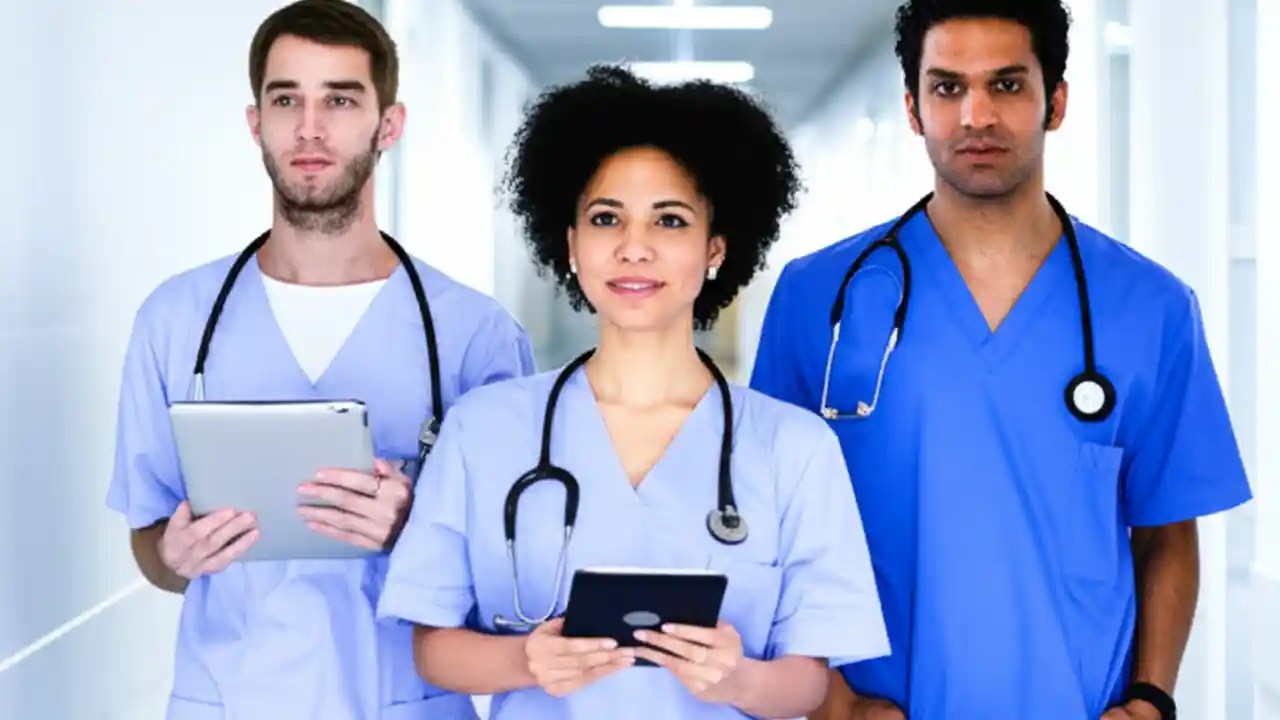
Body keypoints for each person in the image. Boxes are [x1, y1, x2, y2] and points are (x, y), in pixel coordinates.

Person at [749, 1, 1253, 719]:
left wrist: (1149, 698)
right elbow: (769, 529)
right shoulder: (816, 297)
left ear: (1058, 102)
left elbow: (1167, 532)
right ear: (914, 108)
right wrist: (831, 699)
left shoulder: (1152, 307)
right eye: (948, 87)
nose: (976, 116)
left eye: (1007, 85)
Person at [375, 64, 891, 719]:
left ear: (715, 250)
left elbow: (809, 682)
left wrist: (737, 681)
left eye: (670, 221)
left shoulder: (795, 448)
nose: (634, 248)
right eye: (606, 218)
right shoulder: (484, 430)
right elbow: (432, 646)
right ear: (570, 244)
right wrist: (525, 661)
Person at [105, 1, 535, 717]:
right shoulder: (175, 321)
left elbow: (512, 574)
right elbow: (150, 548)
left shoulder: (473, 336)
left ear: (387, 125)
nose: (309, 128)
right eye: (286, 100)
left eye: (339, 98)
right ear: (256, 124)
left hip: (406, 700)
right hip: (229, 698)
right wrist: (174, 557)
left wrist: (412, 530)